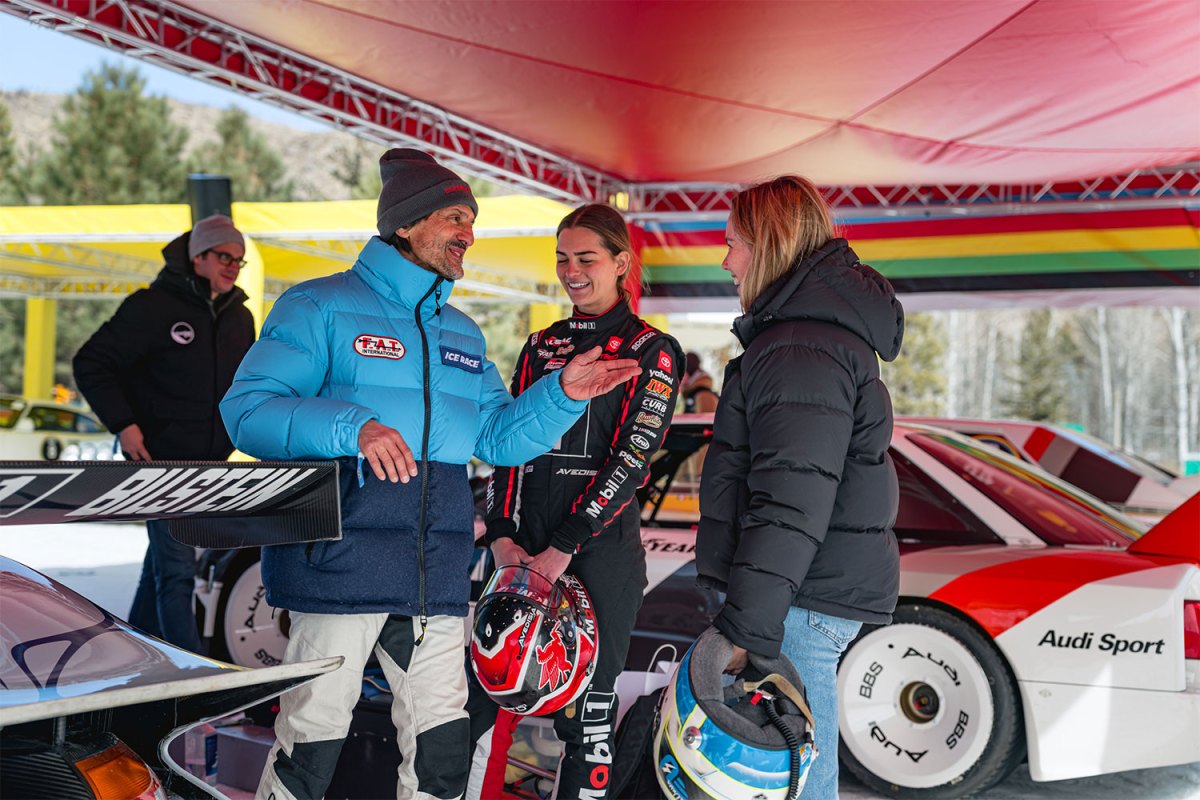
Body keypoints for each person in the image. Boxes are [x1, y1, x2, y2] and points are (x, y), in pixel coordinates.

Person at [219, 151, 642, 800]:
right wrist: (351, 426)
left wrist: (563, 393)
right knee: (312, 745)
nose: (468, 235)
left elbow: (498, 439)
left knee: (444, 753)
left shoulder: (464, 335)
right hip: (338, 568)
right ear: (409, 225)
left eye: (471, 221)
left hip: (435, 576)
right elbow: (246, 413)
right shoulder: (319, 306)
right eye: (454, 218)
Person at [694, 175, 904, 800]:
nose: (725, 259)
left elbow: (791, 503)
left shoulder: (798, 348)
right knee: (793, 767)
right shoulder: (808, 337)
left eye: (733, 242)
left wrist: (748, 627)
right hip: (808, 592)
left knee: (797, 777)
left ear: (771, 242)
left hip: (801, 601)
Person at [466, 204, 684, 800]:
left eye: (586, 258)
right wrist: (502, 534)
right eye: (562, 258)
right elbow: (510, 446)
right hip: (518, 549)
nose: (572, 271)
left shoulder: (652, 350)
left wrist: (564, 546)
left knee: (586, 720)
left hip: (596, 554)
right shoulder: (541, 344)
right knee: (475, 706)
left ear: (621, 263)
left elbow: (630, 463)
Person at [74, 213, 255, 653]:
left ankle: (130, 658)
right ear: (198, 259)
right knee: (177, 571)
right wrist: (125, 426)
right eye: (224, 257)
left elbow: (246, 384)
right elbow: (90, 363)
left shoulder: (240, 320)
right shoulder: (151, 307)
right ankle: (189, 678)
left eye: (239, 260)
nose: (232, 265)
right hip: (157, 461)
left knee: (161, 566)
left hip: (210, 463)